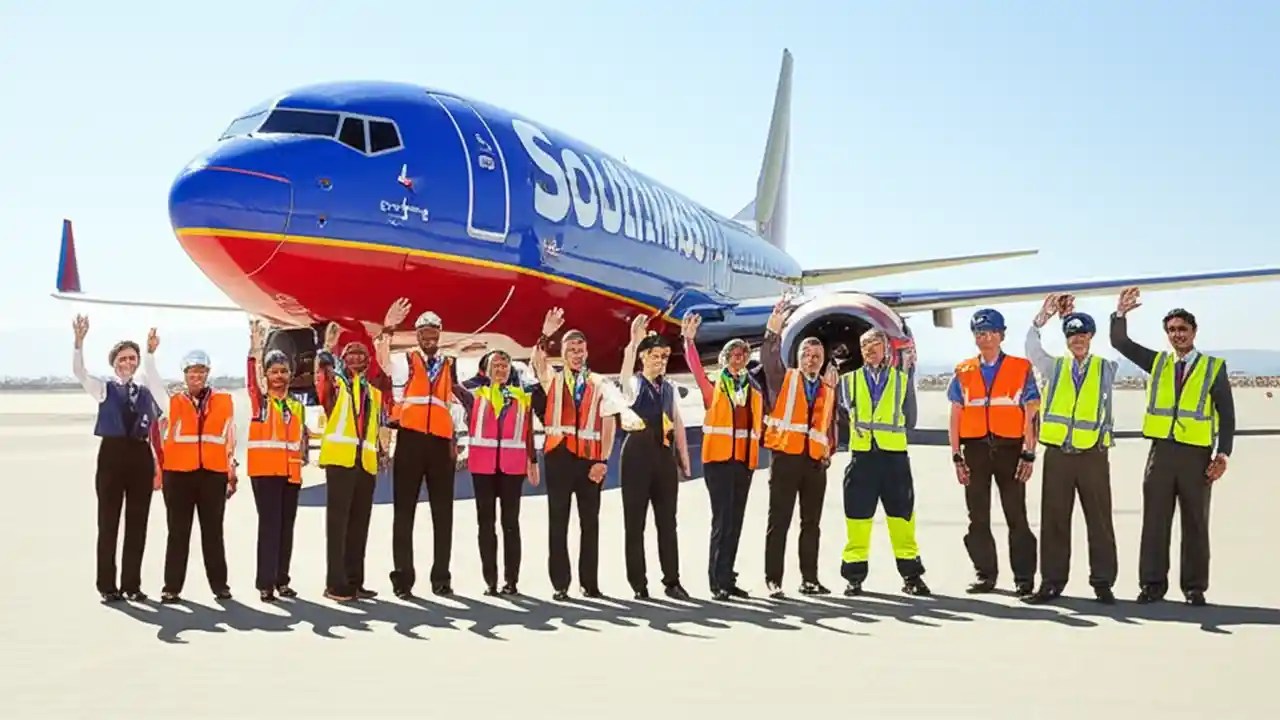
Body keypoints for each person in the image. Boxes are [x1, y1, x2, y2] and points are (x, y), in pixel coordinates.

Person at [1110, 286, 1234, 606]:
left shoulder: (1213, 367)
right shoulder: (1158, 362)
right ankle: (1152, 584)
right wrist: (1120, 313)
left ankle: (1194, 587)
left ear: (1194, 331)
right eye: (1172, 330)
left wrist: (1222, 454)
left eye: (1182, 329)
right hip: (1161, 453)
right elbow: (1120, 343)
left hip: (1197, 456)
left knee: (1195, 523)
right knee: (1155, 521)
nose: (1177, 334)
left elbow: (1227, 415)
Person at [1023, 293, 1119, 604]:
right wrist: (1043, 318)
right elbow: (1032, 349)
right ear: (1066, 339)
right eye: (1072, 335)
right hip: (1058, 455)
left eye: (1083, 335)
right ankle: (1051, 583)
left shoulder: (1105, 368)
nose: (1078, 340)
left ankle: (1103, 582)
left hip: (1092, 454)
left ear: (1091, 337)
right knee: (1054, 520)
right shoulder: (1054, 367)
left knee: (1100, 520)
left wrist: (1070, 317)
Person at [529, 308, 631, 600]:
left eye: (580, 349)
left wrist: (603, 460)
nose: (576, 354)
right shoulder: (552, 379)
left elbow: (609, 423)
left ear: (587, 353)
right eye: (571, 350)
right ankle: (560, 584)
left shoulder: (600, 383)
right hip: (558, 457)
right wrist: (545, 334)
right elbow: (537, 362)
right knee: (558, 522)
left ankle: (590, 583)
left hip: (589, 460)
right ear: (562, 353)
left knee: (590, 523)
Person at [948, 307, 1040, 597]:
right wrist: (956, 456)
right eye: (979, 333)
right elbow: (956, 415)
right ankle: (985, 574)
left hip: (1010, 450)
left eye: (990, 332)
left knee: (1016, 515)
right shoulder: (963, 371)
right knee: (977, 517)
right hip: (975, 450)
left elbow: (1031, 413)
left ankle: (1024, 578)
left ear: (1001, 335)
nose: (984, 337)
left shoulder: (1020, 368)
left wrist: (1029, 452)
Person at [72, 315, 163, 603]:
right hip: (111, 456)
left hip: (139, 455)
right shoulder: (104, 388)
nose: (128, 362)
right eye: (123, 358)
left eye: (132, 358)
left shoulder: (146, 390)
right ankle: (107, 586)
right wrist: (79, 342)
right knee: (108, 522)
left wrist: (150, 354)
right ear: (114, 362)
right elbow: (79, 372)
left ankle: (132, 584)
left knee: (137, 523)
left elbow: (160, 402)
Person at [834, 329, 929, 596]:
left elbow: (909, 416)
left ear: (886, 348)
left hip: (893, 458)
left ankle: (911, 576)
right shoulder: (848, 381)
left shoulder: (901, 380)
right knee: (857, 518)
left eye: (875, 344)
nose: (870, 349)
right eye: (865, 345)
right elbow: (842, 412)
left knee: (902, 519)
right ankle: (854, 577)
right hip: (862, 457)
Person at [681, 313, 766, 601]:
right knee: (722, 521)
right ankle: (716, 580)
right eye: (734, 354)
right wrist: (688, 341)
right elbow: (695, 369)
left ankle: (728, 578)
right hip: (718, 461)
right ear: (725, 359)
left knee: (735, 522)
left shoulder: (752, 389)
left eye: (743, 354)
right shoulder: (715, 387)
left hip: (743, 462)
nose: (739, 358)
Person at [386, 300, 466, 598]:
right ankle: (403, 578)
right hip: (410, 439)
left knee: (443, 514)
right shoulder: (405, 361)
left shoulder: (450, 364)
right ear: (417, 335)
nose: (429, 338)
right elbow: (383, 363)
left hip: (441, 444)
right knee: (403, 512)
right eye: (424, 333)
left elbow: (455, 405)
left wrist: (460, 440)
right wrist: (388, 328)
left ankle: (441, 577)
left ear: (439, 334)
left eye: (433, 333)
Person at [759, 297, 839, 598]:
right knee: (778, 521)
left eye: (817, 356)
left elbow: (830, 424)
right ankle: (773, 580)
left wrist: (828, 453)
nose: (812, 360)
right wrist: (773, 331)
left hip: (815, 464)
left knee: (811, 524)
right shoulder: (785, 378)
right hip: (786, 459)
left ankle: (810, 579)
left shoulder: (828, 387)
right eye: (807, 354)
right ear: (799, 357)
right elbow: (769, 361)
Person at [155, 344, 238, 603]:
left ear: (207, 374)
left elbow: (229, 438)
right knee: (178, 533)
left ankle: (220, 586)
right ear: (184, 374)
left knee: (213, 533)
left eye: (201, 371)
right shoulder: (172, 402)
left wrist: (231, 470)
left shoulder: (223, 401)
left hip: (213, 474)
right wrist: (149, 353)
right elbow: (152, 379)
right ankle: (172, 587)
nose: (197, 376)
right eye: (192, 371)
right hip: (178, 475)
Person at [617, 317, 693, 600]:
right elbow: (624, 376)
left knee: (667, 522)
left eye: (664, 356)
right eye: (654, 355)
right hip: (636, 457)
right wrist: (633, 342)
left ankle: (672, 580)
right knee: (635, 523)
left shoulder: (669, 388)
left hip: (663, 458)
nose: (660, 361)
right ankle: (639, 583)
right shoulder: (633, 385)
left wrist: (684, 459)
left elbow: (678, 423)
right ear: (643, 357)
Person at [453, 350, 540, 595]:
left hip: (513, 466)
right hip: (483, 467)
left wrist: (532, 461)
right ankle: (490, 580)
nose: (500, 369)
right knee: (486, 523)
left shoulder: (522, 395)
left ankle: (511, 580)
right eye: (495, 365)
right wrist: (463, 360)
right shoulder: (475, 394)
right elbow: (454, 385)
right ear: (486, 369)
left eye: (505, 365)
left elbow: (528, 431)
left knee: (510, 523)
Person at [315, 336, 391, 602]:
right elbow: (322, 374)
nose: (357, 359)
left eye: (361, 355)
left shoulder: (373, 392)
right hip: (340, 461)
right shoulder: (337, 385)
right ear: (343, 360)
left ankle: (355, 581)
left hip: (365, 463)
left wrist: (382, 454)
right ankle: (335, 584)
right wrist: (327, 348)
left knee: (359, 525)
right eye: (351, 355)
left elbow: (378, 425)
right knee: (338, 525)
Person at [247, 319, 308, 603]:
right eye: (274, 372)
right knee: (269, 527)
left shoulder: (296, 406)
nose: (279, 376)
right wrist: (255, 347)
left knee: (286, 528)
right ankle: (265, 583)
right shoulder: (261, 402)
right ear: (267, 375)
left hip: (290, 474)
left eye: (283, 371)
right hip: (265, 473)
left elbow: (299, 442)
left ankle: (282, 580)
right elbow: (252, 381)